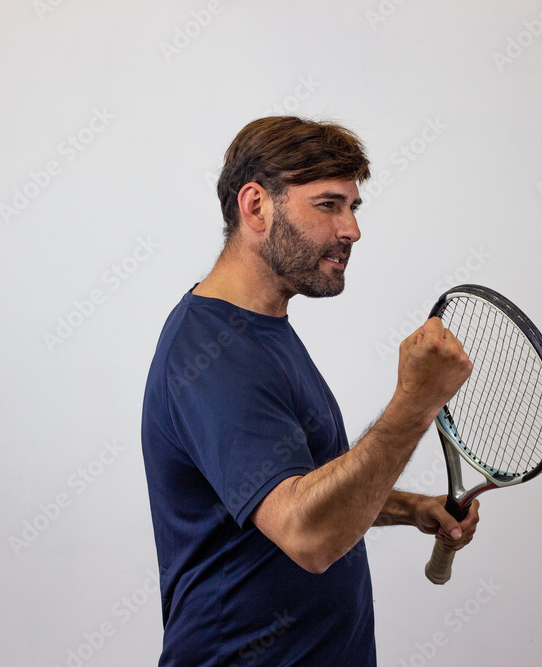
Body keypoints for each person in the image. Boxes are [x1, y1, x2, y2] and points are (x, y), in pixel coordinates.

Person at [141, 116, 479, 665]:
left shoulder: (263, 329)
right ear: (256, 207)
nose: (351, 230)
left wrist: (408, 507)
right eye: (328, 205)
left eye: (353, 208)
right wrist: (416, 403)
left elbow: (293, 492)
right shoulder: (214, 356)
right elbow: (308, 534)